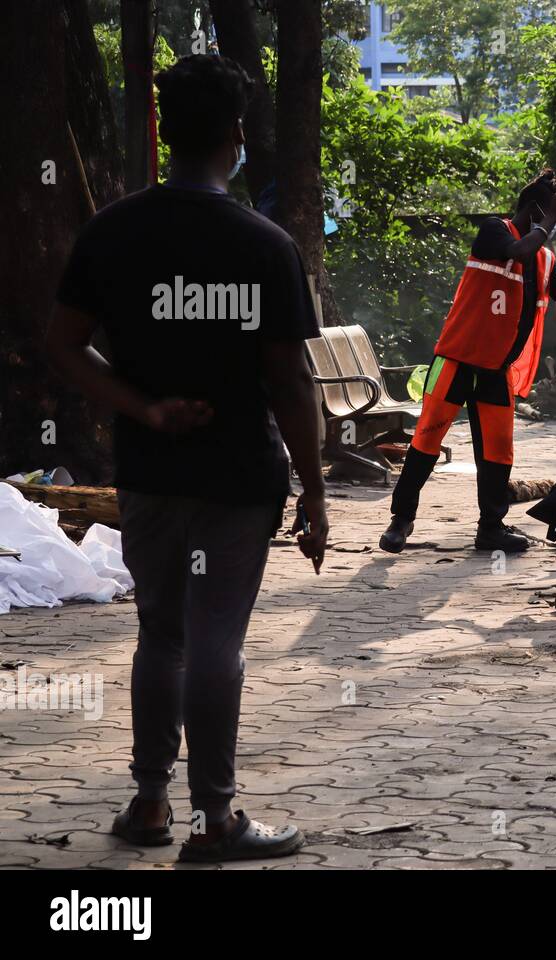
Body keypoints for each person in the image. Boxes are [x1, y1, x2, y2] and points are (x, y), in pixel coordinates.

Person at [46, 54, 327, 861]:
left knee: (160, 635)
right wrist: (315, 493)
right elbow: (290, 381)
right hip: (237, 479)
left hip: (150, 474)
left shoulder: (113, 232)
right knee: (216, 643)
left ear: (167, 131)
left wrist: (144, 408)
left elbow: (64, 345)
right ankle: (217, 821)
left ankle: (150, 805)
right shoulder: (264, 246)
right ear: (237, 138)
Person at [379, 169, 556, 555]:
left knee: (497, 452)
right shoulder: (495, 231)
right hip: (456, 360)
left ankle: (490, 528)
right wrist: (552, 218)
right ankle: (401, 521)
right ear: (533, 210)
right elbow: (518, 251)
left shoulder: (545, 261)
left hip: (495, 370)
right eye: (549, 215)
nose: (555, 225)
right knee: (427, 441)